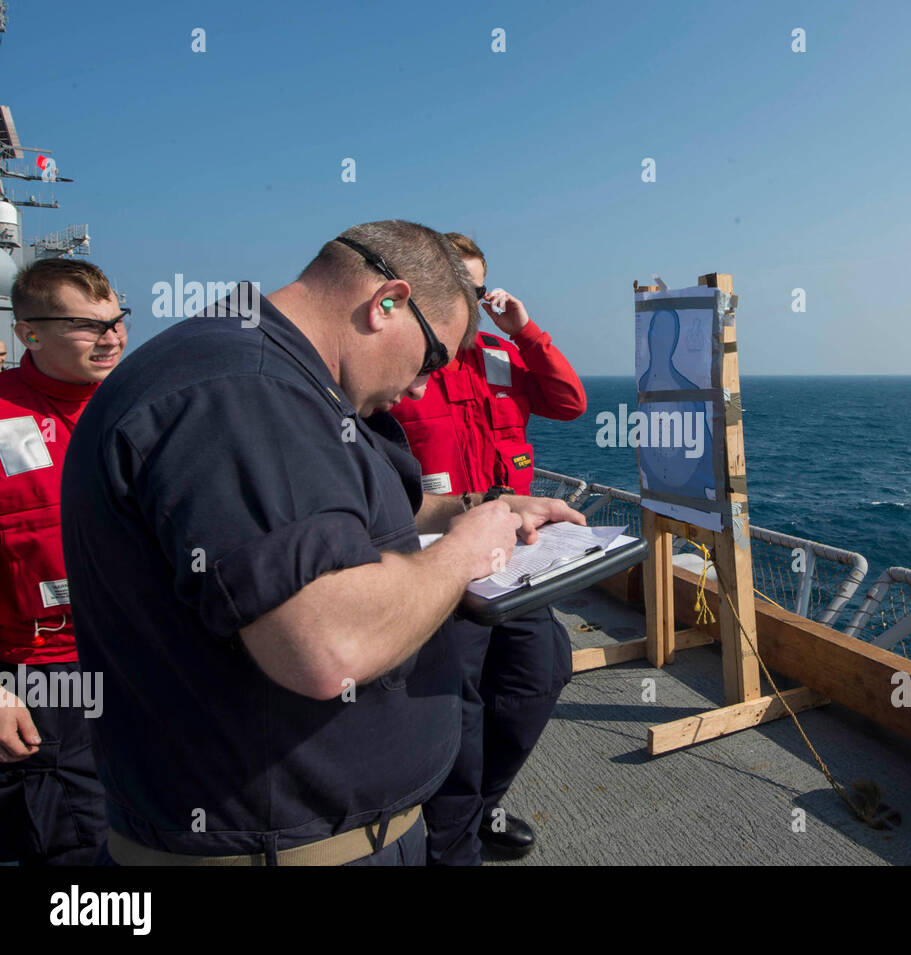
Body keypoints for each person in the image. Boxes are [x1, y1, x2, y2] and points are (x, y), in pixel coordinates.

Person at [61, 220, 585, 865]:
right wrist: (466, 552)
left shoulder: (263, 368)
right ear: (385, 302)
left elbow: (352, 509)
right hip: (287, 844)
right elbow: (327, 645)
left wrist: (478, 508)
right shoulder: (245, 392)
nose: (423, 386)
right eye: (430, 360)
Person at [392, 233, 586, 863]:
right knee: (460, 709)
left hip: (515, 557)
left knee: (540, 676)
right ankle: (450, 845)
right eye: (455, 289)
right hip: (443, 562)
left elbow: (568, 402)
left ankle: (482, 804)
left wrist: (527, 331)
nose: (469, 302)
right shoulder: (406, 366)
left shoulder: (501, 355)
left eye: (476, 289)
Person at [0, 257, 126, 864]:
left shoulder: (148, 407)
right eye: (87, 326)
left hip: (148, 665)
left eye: (116, 320)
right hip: (45, 684)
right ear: (30, 332)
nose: (112, 338)